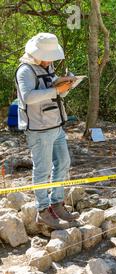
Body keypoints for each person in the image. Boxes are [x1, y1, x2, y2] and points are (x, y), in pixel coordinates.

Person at [15, 33, 79, 229]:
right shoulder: (25, 71)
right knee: (41, 170)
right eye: (48, 56)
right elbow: (27, 97)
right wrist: (56, 91)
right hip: (39, 129)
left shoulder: (47, 67)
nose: (51, 60)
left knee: (63, 162)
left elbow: (55, 93)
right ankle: (43, 211)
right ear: (36, 54)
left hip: (56, 125)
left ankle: (56, 203)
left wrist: (67, 85)